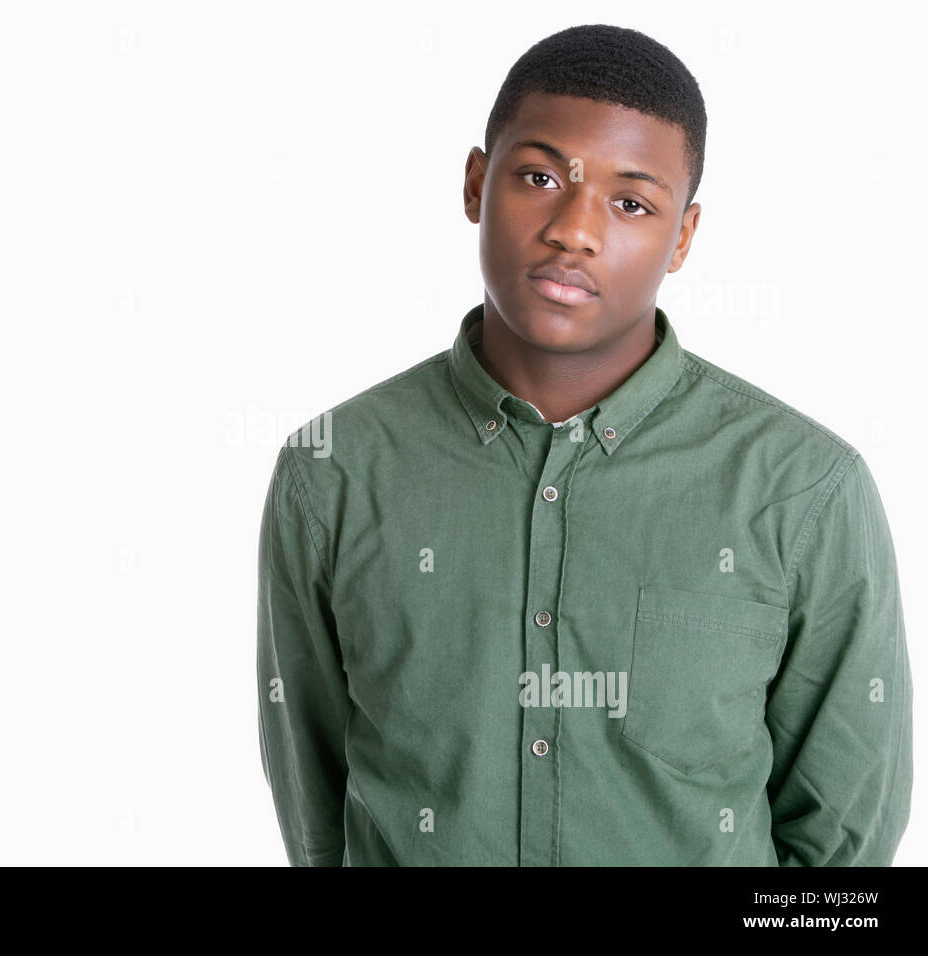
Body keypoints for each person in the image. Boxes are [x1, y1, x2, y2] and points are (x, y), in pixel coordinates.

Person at [255, 23, 912, 866]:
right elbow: (317, 804)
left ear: (682, 237)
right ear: (474, 183)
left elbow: (843, 842)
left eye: (631, 202)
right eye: (538, 177)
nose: (575, 230)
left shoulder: (806, 489)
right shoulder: (332, 470)